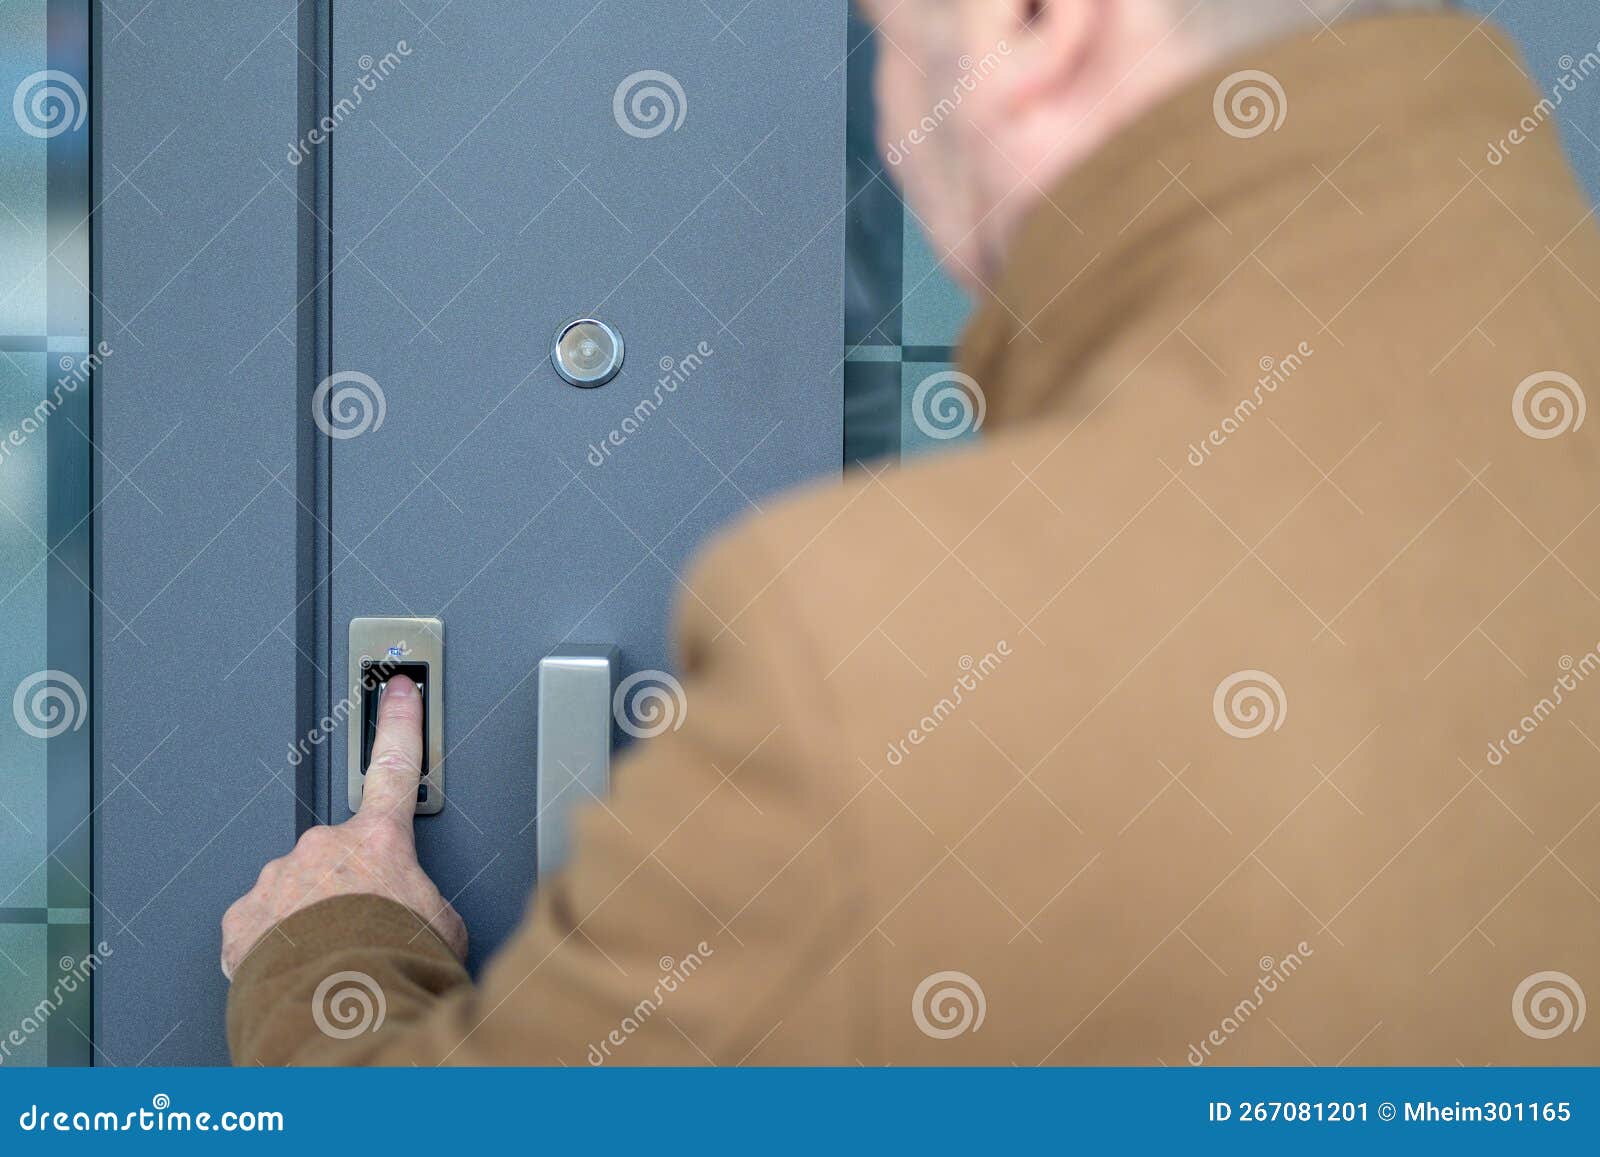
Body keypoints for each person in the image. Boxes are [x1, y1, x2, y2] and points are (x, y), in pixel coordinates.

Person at [224, 0, 1600, 1064]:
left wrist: (334, 955)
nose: (890, 116)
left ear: (1033, 23)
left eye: (884, 37)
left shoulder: (889, 651)